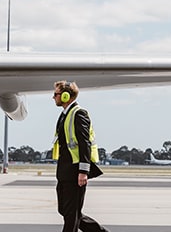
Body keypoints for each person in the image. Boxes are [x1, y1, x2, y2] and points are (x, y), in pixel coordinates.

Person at [52, 80, 108, 232]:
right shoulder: (65, 115)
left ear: (65, 96)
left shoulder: (78, 114)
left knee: (71, 215)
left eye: (56, 94)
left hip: (75, 170)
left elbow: (85, 143)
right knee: (65, 210)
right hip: (64, 171)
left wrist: (83, 171)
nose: (53, 97)